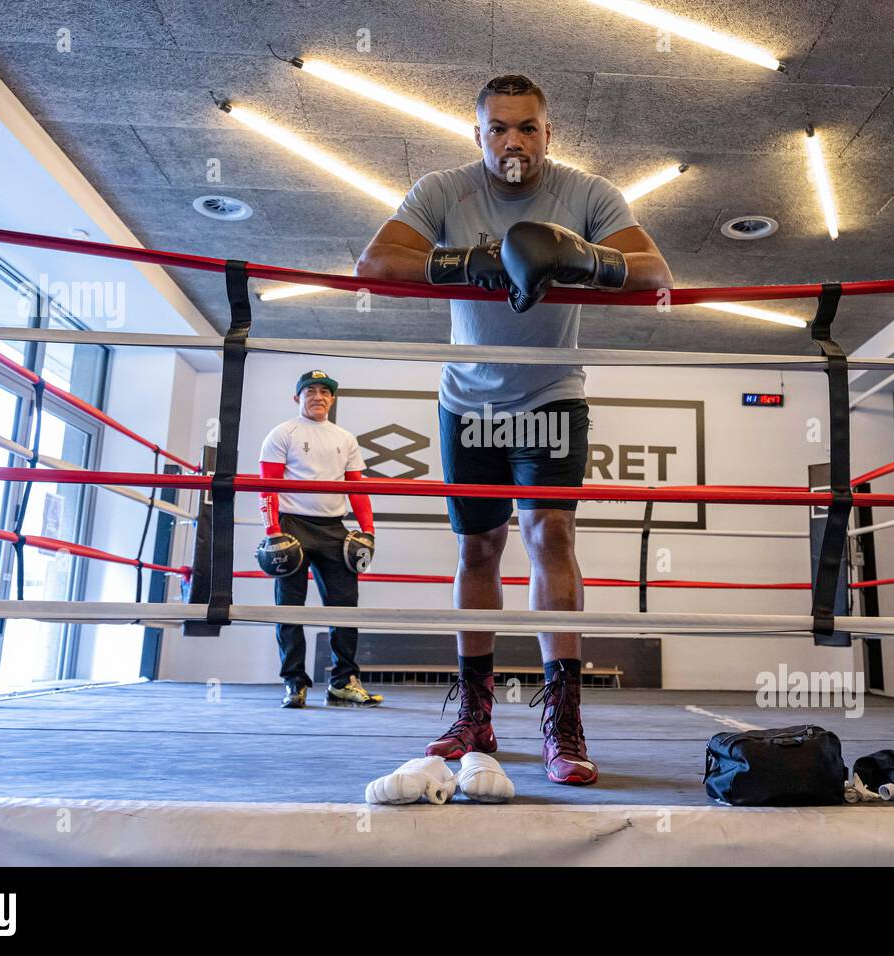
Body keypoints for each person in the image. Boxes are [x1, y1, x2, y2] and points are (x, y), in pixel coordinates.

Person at [354, 74, 673, 784]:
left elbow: (657, 275)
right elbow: (374, 263)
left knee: (550, 536)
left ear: (548, 133)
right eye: (498, 128)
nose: (512, 141)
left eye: (526, 127)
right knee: (477, 549)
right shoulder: (444, 190)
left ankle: (565, 722)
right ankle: (476, 714)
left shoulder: (588, 195)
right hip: (469, 402)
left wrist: (583, 257)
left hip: (551, 394)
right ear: (478, 135)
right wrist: (476, 261)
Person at [256, 370, 381, 708]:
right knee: (290, 606)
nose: (318, 396)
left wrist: (367, 531)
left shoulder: (344, 437)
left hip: (333, 527)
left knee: (345, 607)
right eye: (310, 390)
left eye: (325, 392)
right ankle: (294, 683)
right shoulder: (283, 433)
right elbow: (267, 485)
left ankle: (343, 680)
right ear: (297, 398)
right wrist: (272, 533)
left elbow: (357, 487)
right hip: (292, 525)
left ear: (332, 399)